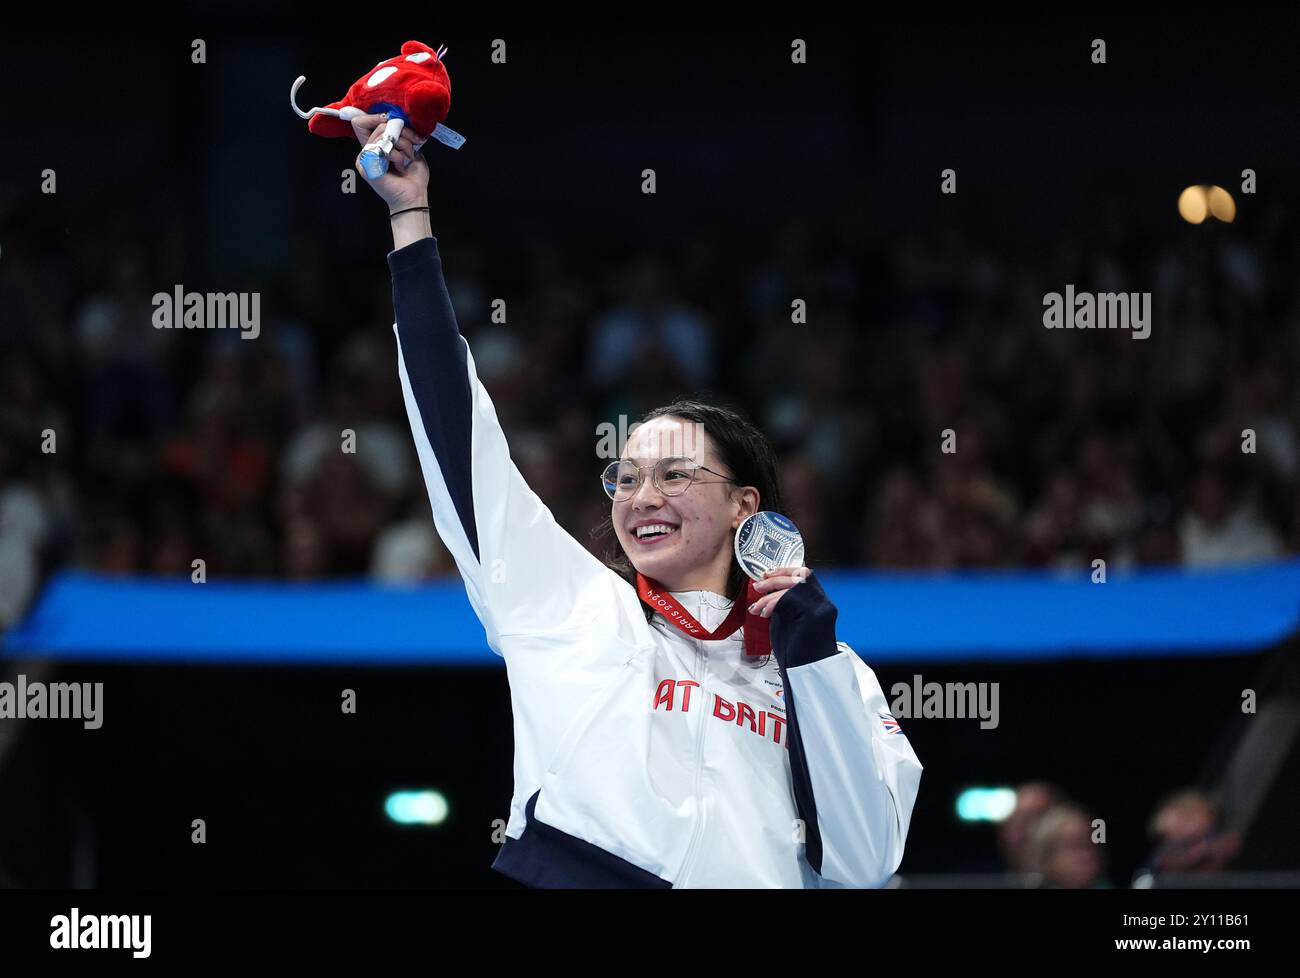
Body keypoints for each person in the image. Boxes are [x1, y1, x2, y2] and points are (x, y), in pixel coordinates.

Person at [353, 114, 923, 888]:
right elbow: (459, 439)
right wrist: (408, 218)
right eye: (625, 477)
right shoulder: (566, 603)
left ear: (742, 504)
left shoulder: (835, 669)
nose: (641, 496)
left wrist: (810, 665)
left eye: (676, 475)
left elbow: (864, 863)